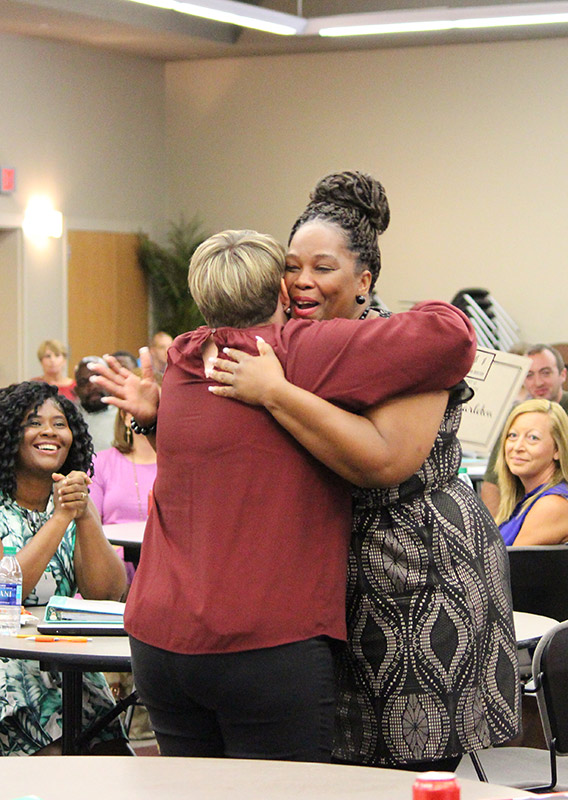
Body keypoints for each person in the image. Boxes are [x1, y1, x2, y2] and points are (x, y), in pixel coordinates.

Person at [90, 228, 478, 763]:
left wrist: (154, 417)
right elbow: (451, 337)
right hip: (260, 645)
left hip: (159, 643)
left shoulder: (182, 360)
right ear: (280, 288)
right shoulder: (294, 350)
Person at [207, 172, 520, 770]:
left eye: (323, 268)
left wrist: (274, 392)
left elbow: (384, 461)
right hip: (320, 579)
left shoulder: (398, 344)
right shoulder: (286, 346)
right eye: (291, 266)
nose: (302, 282)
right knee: (336, 764)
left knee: (409, 767)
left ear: (364, 279)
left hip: (416, 569)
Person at [0, 381, 128, 756]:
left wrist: (83, 516)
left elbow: (108, 593)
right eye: (34, 423)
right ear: (7, 434)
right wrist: (60, 517)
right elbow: (0, 589)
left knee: (105, 745)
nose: (50, 431)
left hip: (50, 651)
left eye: (60, 423)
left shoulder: (72, 503)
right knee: (47, 735)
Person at [481, 343, 568, 515]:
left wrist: (548, 486)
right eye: (529, 375)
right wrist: (495, 529)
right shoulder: (516, 413)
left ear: (562, 375)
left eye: (545, 373)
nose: (538, 382)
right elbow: (492, 482)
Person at [494, 399, 568, 546]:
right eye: (512, 435)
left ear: (557, 450)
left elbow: (508, 567)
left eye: (533, 438)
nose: (518, 447)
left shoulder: (553, 505)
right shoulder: (525, 499)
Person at [89, 404, 156, 526]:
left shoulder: (179, 464)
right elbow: (89, 528)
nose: (147, 414)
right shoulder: (100, 462)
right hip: (110, 544)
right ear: (124, 417)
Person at [74, 356, 118, 452]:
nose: (92, 386)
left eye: (98, 378)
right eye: (84, 382)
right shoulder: (70, 418)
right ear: (76, 391)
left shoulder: (124, 417)